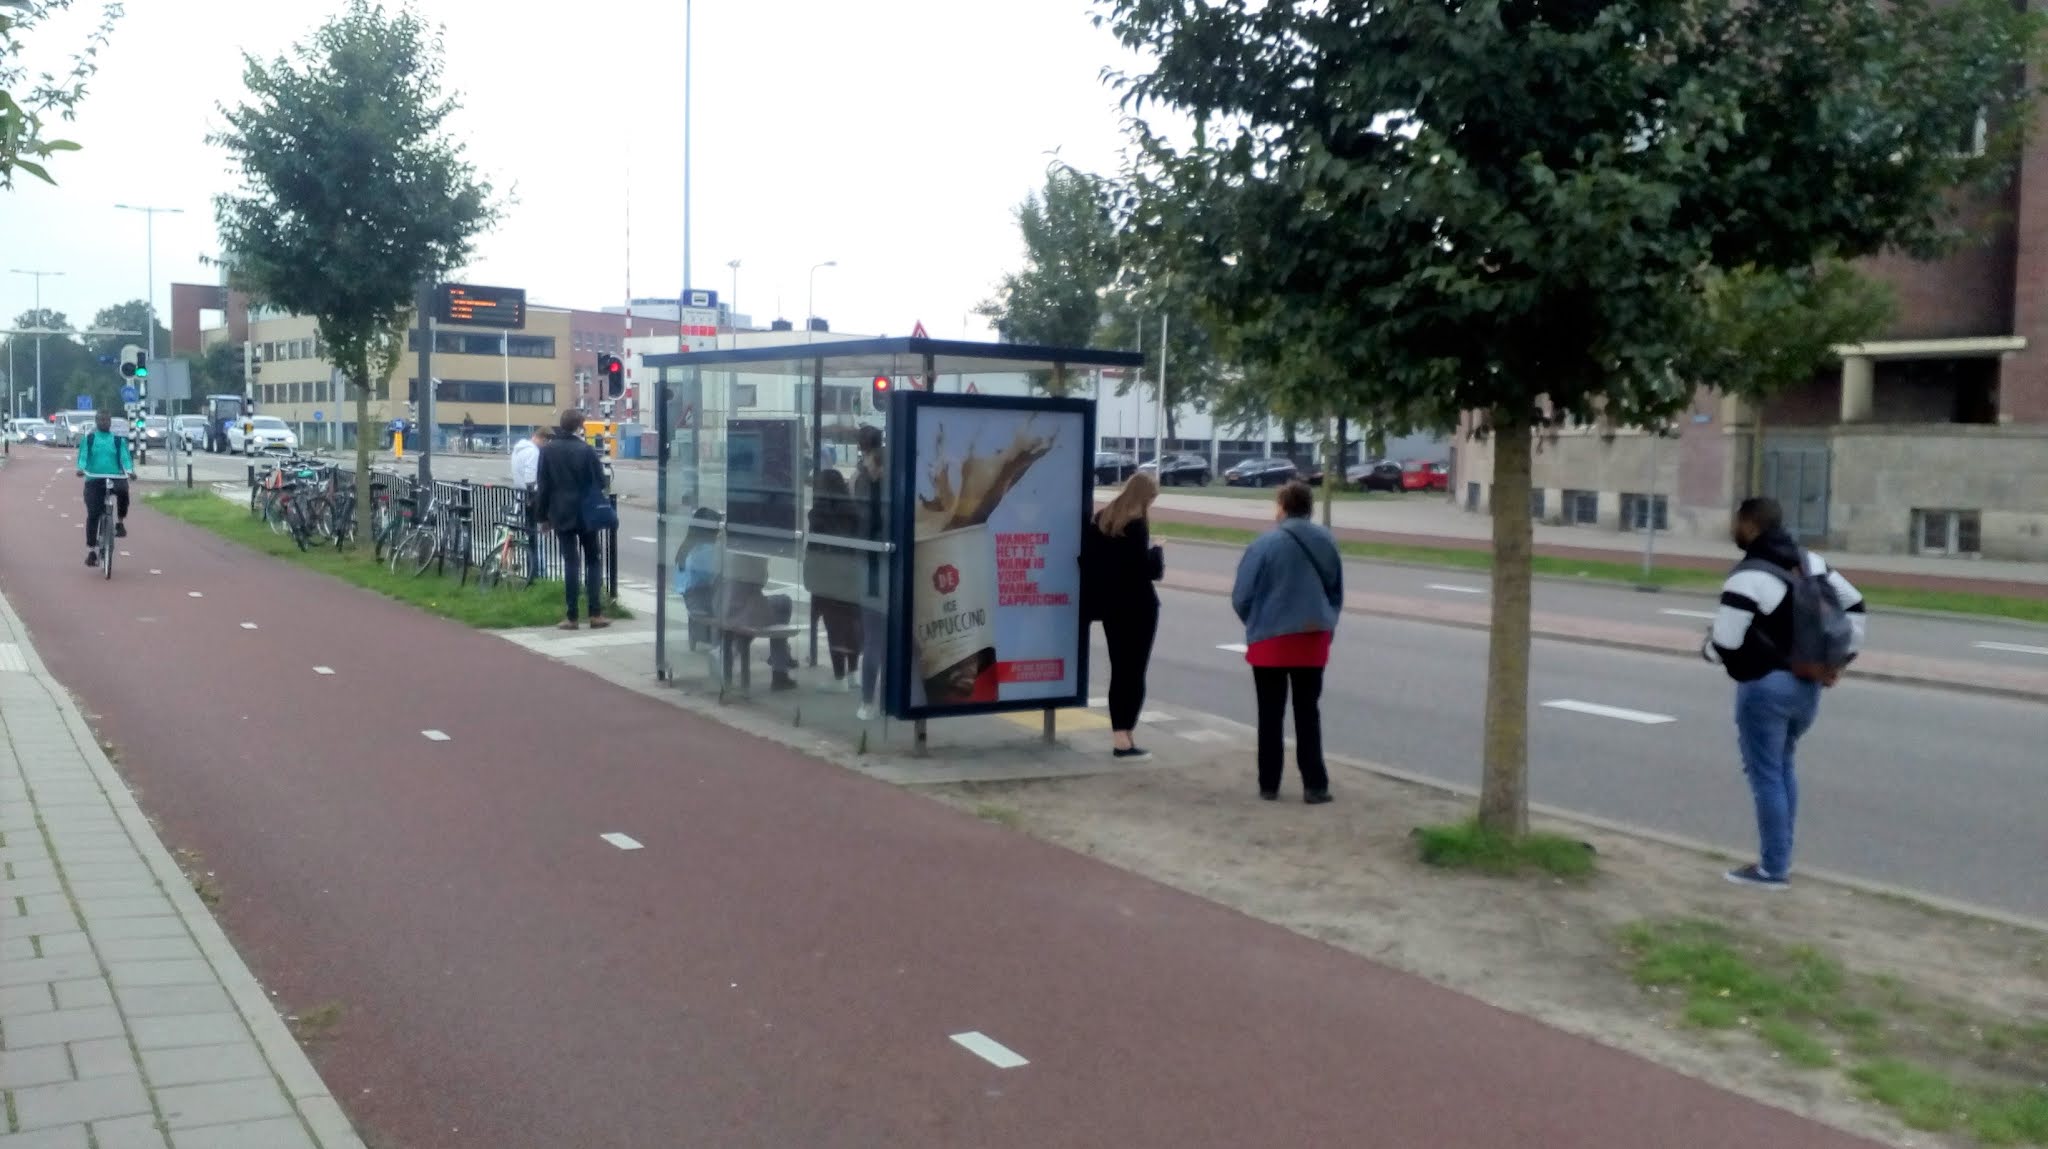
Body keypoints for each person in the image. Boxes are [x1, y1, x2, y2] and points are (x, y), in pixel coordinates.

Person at [1705, 496, 1867, 889]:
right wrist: (1838, 663)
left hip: (1764, 688)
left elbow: (1726, 641)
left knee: (1766, 776)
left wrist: (1707, 648)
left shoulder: (1747, 576)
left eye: (1737, 522)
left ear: (1750, 525)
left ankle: (1772, 869)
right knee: (1782, 769)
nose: (1733, 529)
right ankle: (1780, 859)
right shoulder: (1811, 563)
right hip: (1807, 686)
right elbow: (1856, 605)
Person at [1230, 480, 1343, 804]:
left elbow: (1242, 596)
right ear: (1309, 507)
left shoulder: (1264, 544)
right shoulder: (1326, 541)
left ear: (1282, 506)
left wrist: (1257, 621)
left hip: (1270, 640)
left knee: (1270, 713)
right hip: (1312, 637)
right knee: (1308, 712)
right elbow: (1335, 590)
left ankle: (1269, 783)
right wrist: (1327, 621)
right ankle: (1315, 785)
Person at [1083, 471, 1163, 759]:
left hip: (1111, 608)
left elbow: (1091, 562)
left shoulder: (1102, 519)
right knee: (1135, 671)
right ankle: (1125, 737)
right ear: (1146, 497)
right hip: (1138, 607)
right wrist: (1157, 551)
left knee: (1119, 670)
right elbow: (1145, 570)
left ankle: (1120, 734)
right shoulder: (1137, 525)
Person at [533, 409, 610, 631]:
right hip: (586, 513)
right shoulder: (586, 450)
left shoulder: (548, 451)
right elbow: (601, 482)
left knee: (570, 562)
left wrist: (542, 516)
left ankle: (572, 616)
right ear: (579, 426)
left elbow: (543, 485)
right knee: (593, 560)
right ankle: (595, 613)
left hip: (561, 513)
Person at [805, 469, 865, 691]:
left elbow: (813, 549)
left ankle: (839, 677)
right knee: (851, 623)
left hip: (828, 575)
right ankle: (853, 673)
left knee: (834, 626)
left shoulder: (818, 514)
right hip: (851, 574)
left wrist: (810, 577)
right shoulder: (853, 511)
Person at [853, 425, 889, 721]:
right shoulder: (868, 482)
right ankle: (872, 700)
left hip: (876, 566)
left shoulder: (863, 480)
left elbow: (863, 522)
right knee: (878, 637)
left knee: (876, 637)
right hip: (877, 567)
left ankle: (870, 701)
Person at [75, 409, 135, 568]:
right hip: (94, 478)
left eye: (107, 420)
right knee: (93, 513)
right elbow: (83, 457)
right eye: (101, 420)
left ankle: (120, 522)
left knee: (123, 491)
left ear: (110, 422)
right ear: (96, 421)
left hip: (115, 477)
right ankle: (92, 550)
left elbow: (125, 458)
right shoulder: (89, 439)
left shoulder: (117, 440)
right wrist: (81, 469)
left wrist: (130, 471)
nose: (104, 423)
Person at [510, 426, 547, 580]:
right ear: (542, 439)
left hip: (519, 495)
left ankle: (531, 570)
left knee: (527, 535)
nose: (545, 446)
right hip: (530, 498)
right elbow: (530, 476)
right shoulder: (534, 452)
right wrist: (534, 495)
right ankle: (538, 574)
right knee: (535, 538)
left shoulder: (518, 449)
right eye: (545, 442)